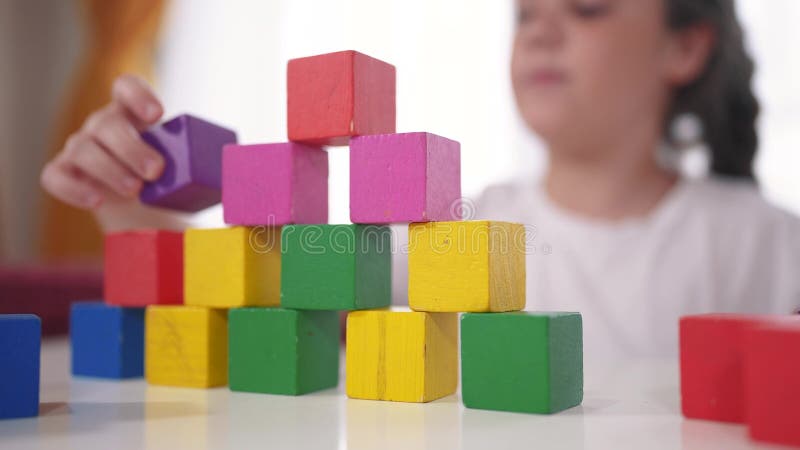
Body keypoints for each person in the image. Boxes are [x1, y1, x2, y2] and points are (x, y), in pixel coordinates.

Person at [41, 0, 800, 359]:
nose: (540, 28)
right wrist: (127, 197)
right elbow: (246, 299)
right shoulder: (449, 234)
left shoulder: (764, 240)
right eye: (524, 14)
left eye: (588, 9)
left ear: (685, 48)